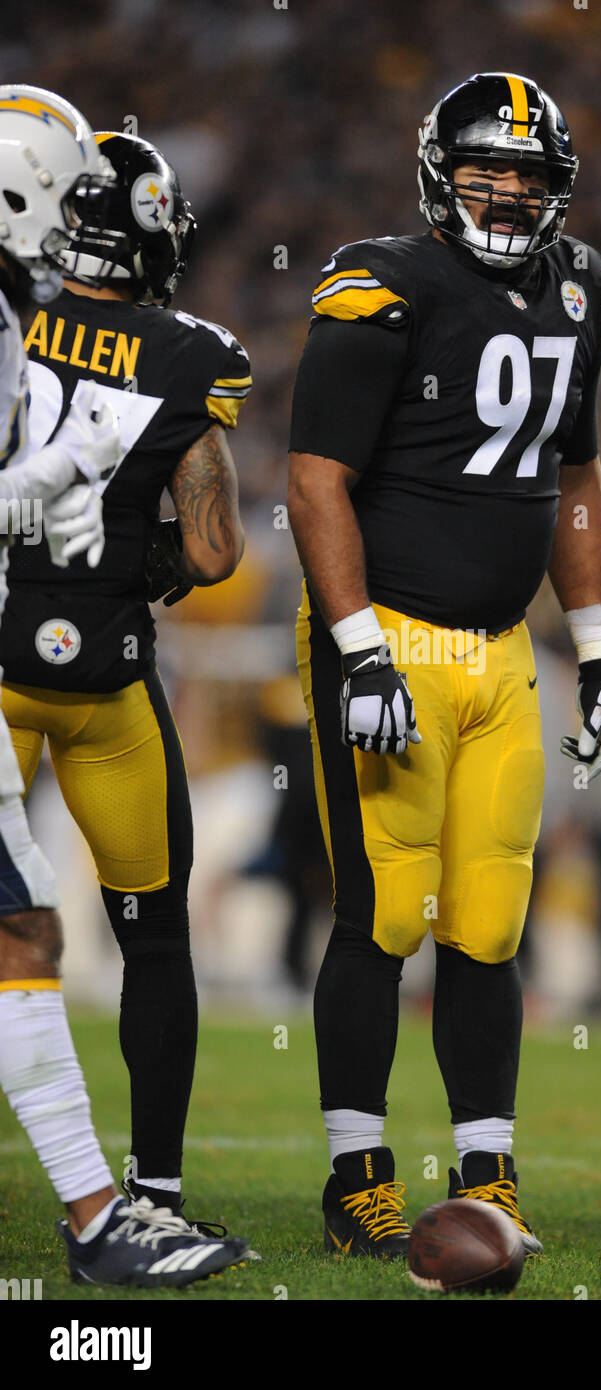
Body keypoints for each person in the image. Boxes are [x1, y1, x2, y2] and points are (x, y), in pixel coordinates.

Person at [287, 72, 601, 1256]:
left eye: (527, 172)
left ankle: (485, 1169)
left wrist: (599, 645)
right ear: (440, 170)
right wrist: (358, 651)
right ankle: (356, 1180)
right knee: (383, 914)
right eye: (486, 165)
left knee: (487, 922)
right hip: (391, 639)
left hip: (502, 654)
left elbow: (573, 479)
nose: (506, 187)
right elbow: (315, 477)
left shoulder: (582, 288)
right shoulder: (382, 281)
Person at [0, 84, 248, 1285]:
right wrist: (139, 552)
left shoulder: (12, 310)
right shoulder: (193, 356)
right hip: (104, 680)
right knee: (152, 945)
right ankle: (148, 1192)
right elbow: (212, 552)